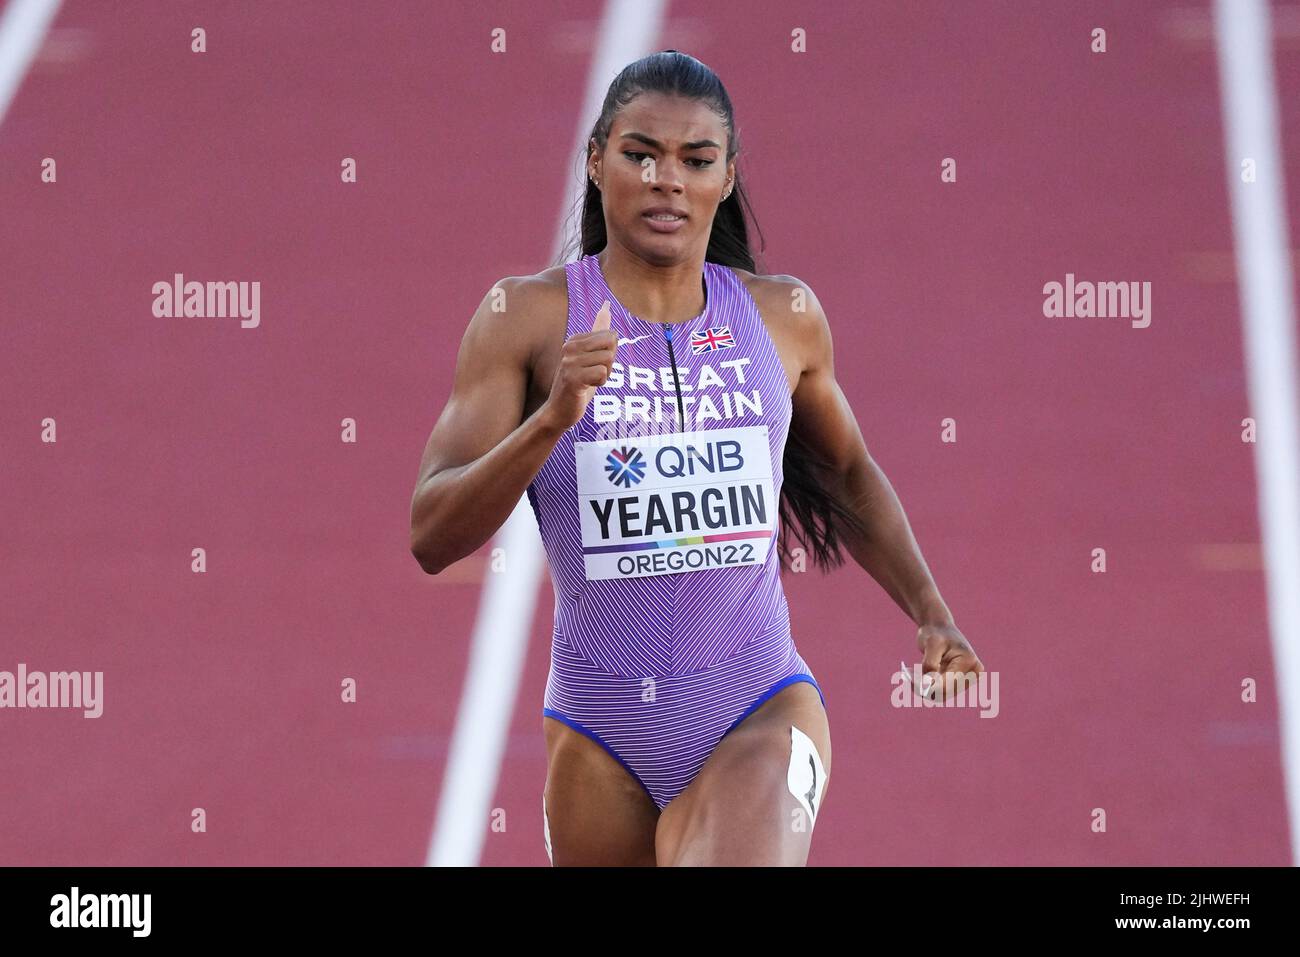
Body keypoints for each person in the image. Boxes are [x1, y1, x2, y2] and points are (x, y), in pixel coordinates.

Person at [409, 51, 983, 866]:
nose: (667, 180)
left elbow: (850, 471)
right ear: (596, 162)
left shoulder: (783, 318)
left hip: (757, 705)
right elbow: (432, 535)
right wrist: (550, 421)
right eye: (641, 154)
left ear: (727, 176)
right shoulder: (526, 319)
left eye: (696, 160)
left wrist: (931, 610)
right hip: (597, 733)